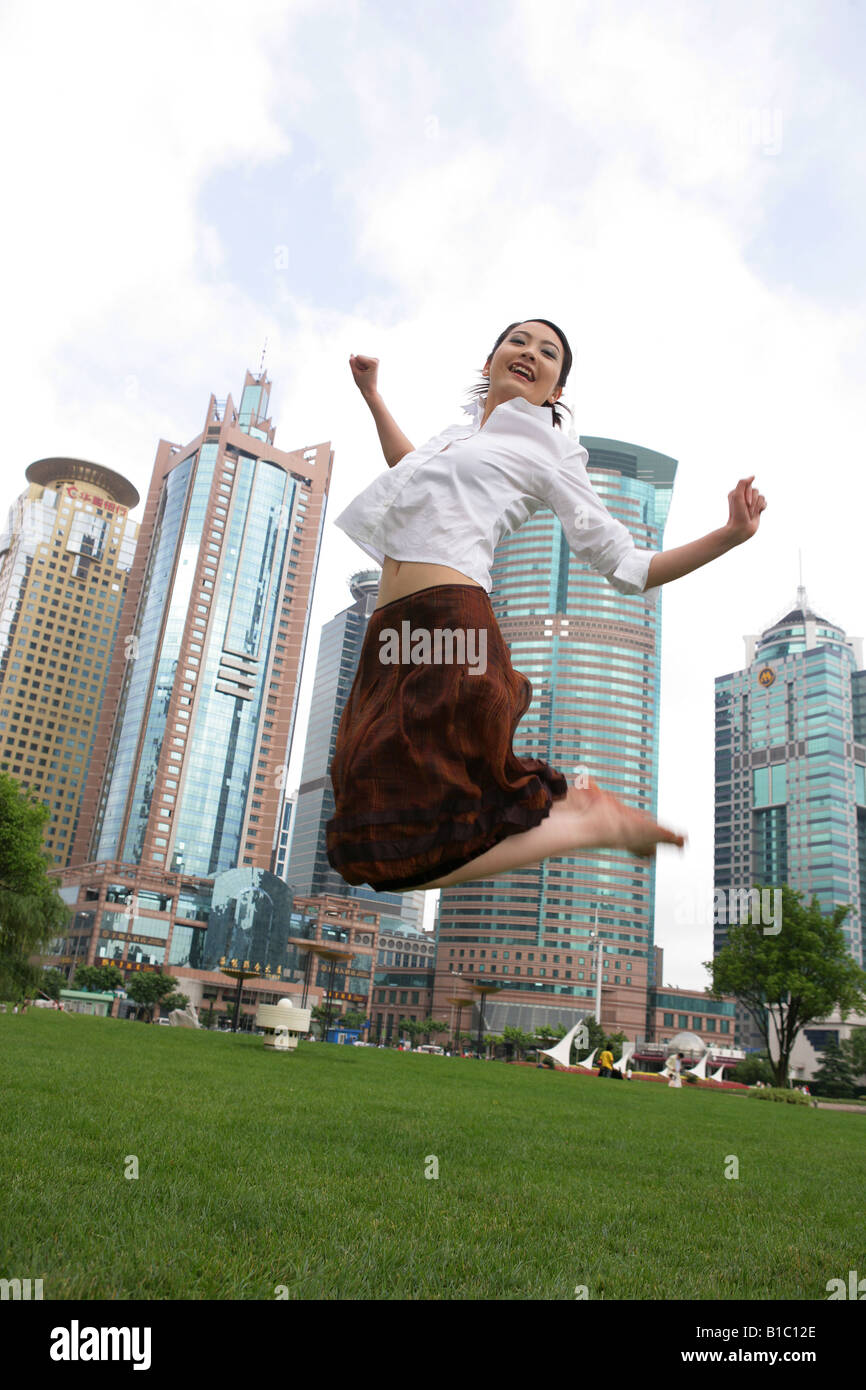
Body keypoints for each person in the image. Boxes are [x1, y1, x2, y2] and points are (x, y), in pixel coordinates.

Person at [325, 320, 766, 892]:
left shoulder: (549, 449)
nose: (530, 352)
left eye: (548, 353)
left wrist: (728, 535)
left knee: (408, 837)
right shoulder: (454, 439)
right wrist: (373, 397)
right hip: (391, 636)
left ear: (555, 392)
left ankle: (586, 823)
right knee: (367, 833)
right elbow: (405, 467)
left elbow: (629, 565)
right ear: (490, 363)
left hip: (449, 619)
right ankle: (582, 814)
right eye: (519, 341)